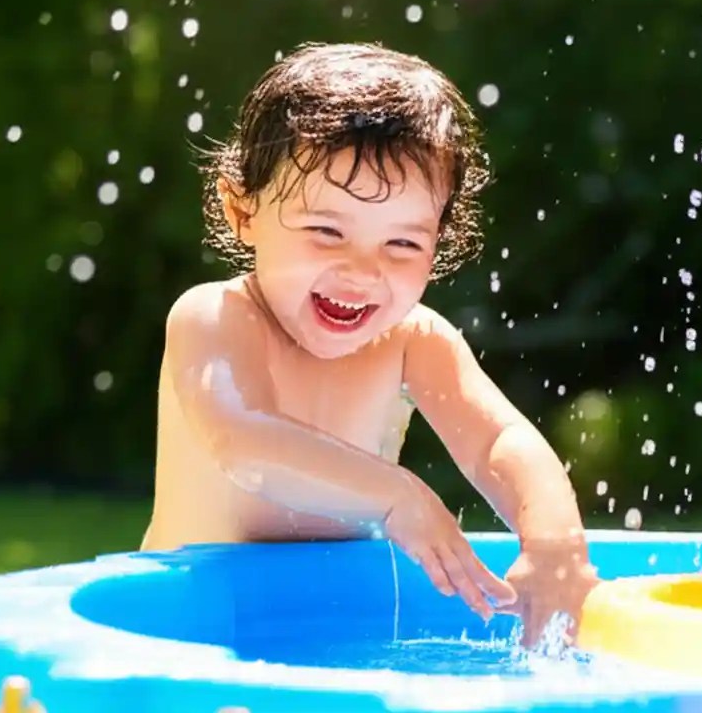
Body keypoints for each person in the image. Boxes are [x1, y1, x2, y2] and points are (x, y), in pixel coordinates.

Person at [141, 42, 599, 647]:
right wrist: (396, 494)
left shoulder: (414, 340)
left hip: (343, 635)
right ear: (242, 210)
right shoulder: (216, 318)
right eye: (327, 232)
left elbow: (499, 441)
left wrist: (554, 542)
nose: (362, 272)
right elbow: (244, 440)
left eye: (403, 245)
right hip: (185, 633)